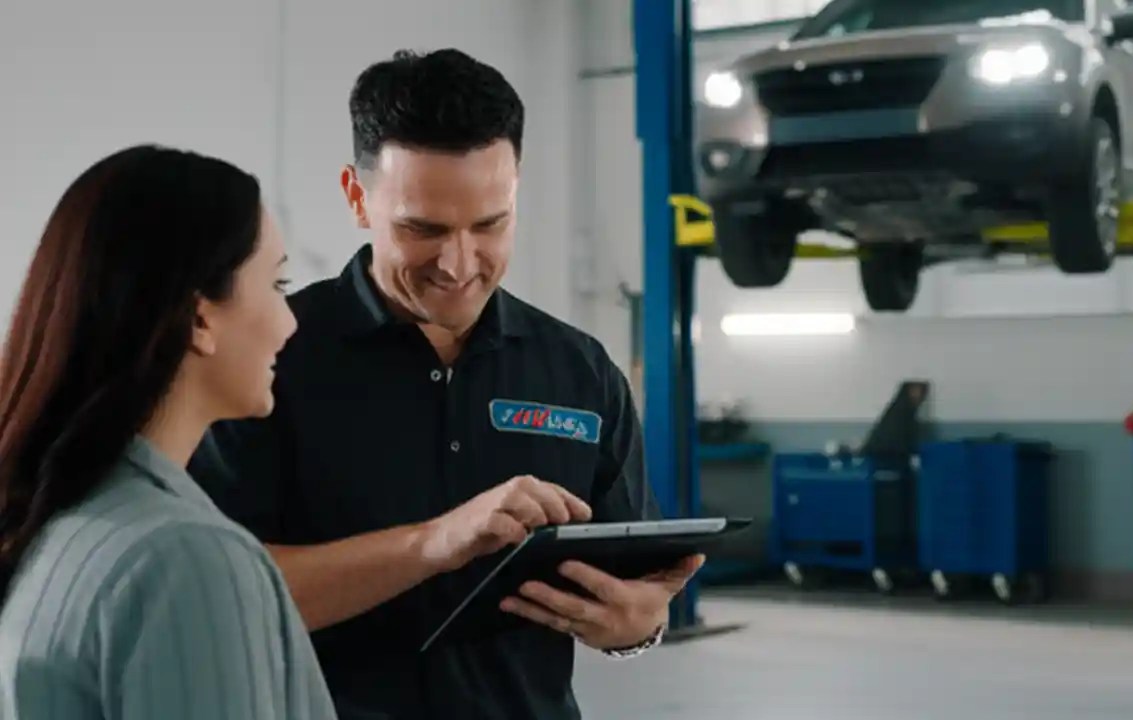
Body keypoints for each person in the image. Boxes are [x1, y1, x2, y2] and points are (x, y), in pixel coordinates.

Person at [188, 48, 702, 719]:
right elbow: (215, 597)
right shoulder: (267, 357)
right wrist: (434, 543)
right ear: (355, 196)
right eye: (421, 229)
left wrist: (638, 626)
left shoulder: (579, 370)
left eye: (490, 224)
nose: (460, 265)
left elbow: (629, 581)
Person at [0, 145, 339, 719]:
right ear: (201, 317)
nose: (290, 323)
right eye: (278, 286)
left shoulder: (57, 523)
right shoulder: (190, 559)